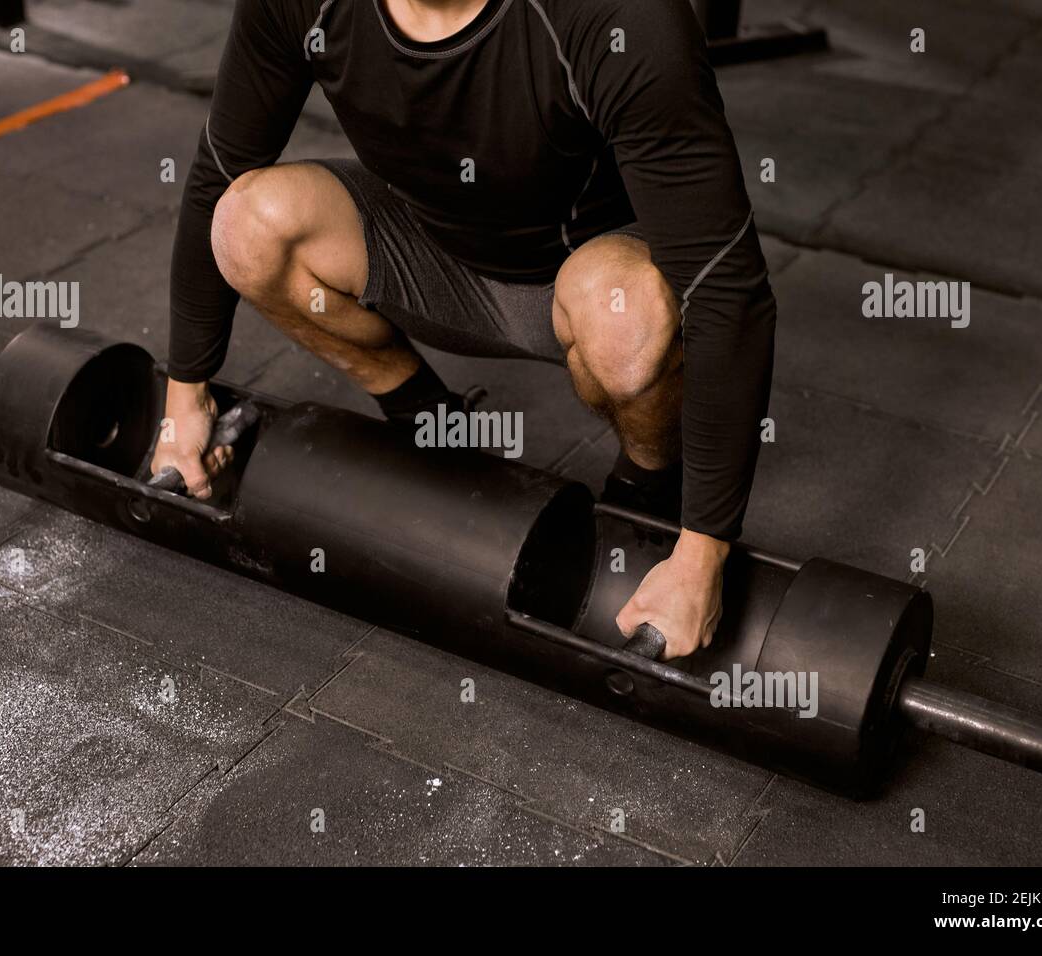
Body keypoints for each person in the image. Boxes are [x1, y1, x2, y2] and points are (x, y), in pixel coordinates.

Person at [153, 0, 777, 659]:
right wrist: (183, 397)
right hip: (430, 255)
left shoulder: (619, 18)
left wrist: (703, 554)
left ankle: (647, 485)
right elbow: (218, 173)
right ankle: (430, 419)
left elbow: (726, 286)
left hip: (584, 277)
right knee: (247, 224)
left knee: (628, 318)